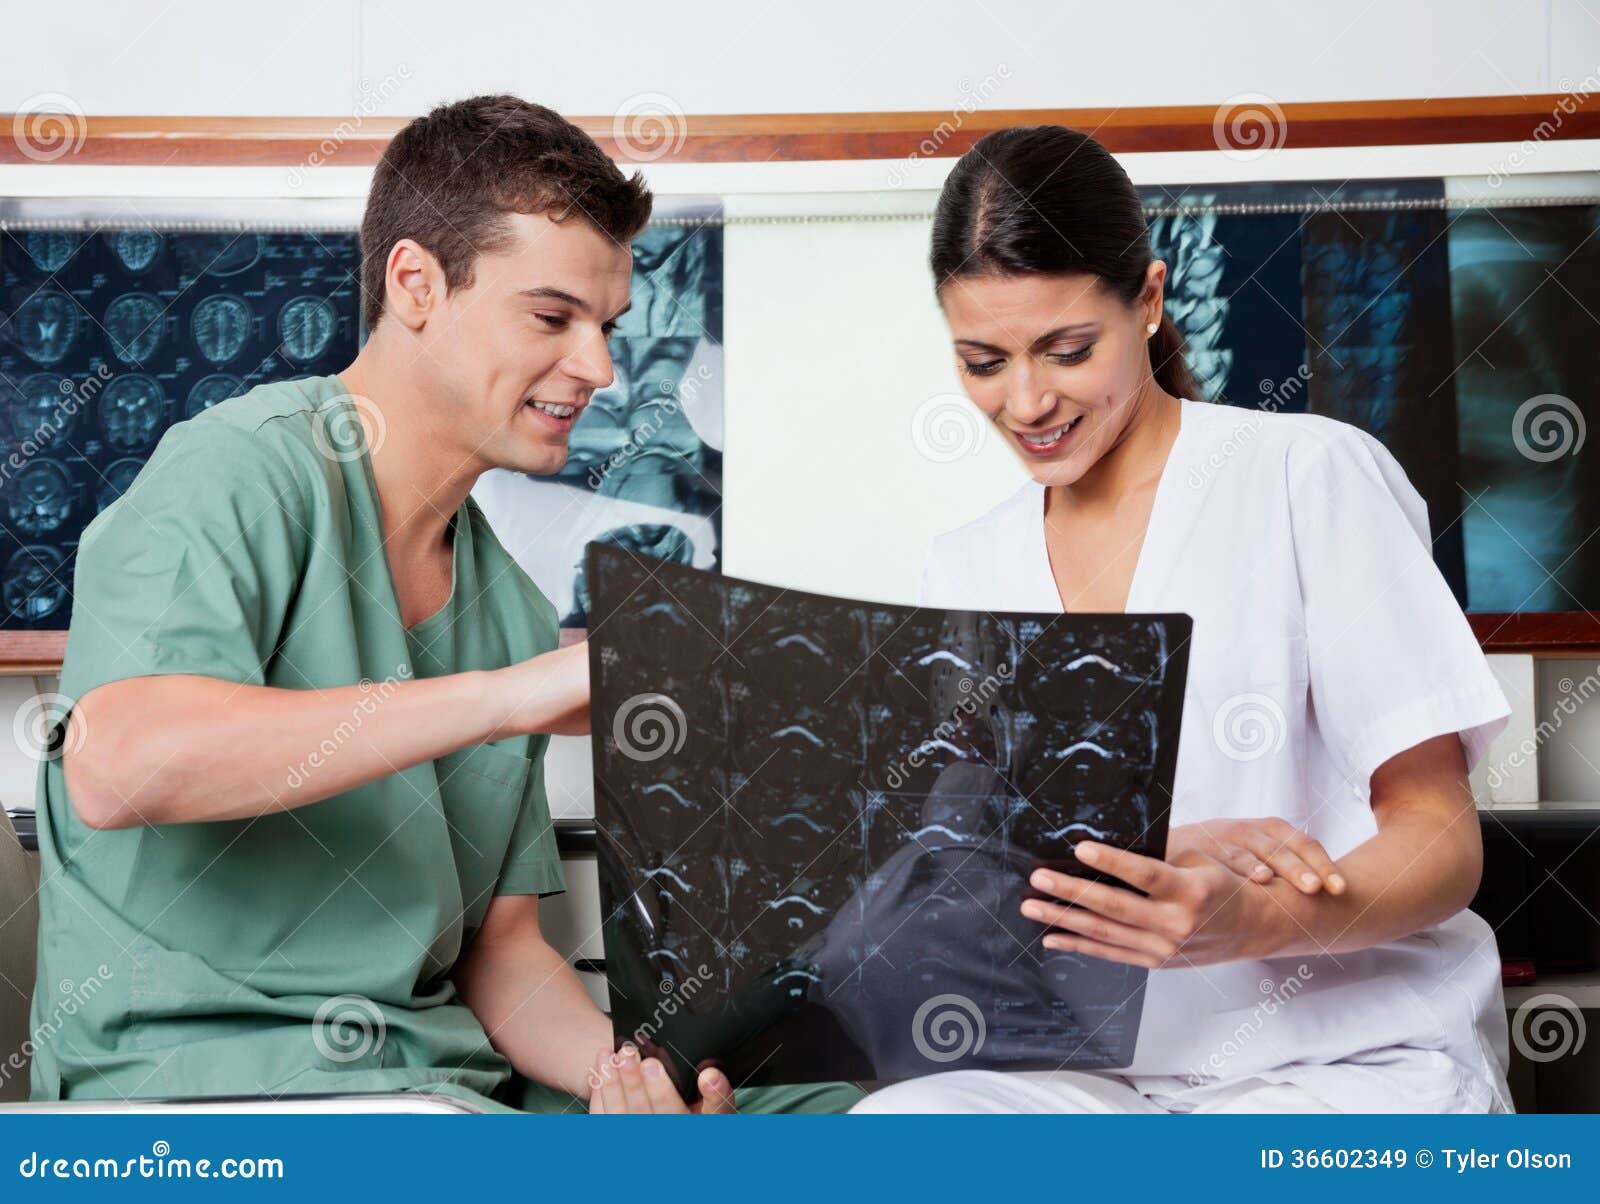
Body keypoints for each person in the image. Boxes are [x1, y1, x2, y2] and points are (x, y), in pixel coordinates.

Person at [29, 94, 859, 1116]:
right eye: (553, 317)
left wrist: (633, 1086)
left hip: (444, 1090)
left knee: (882, 1121)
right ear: (416, 283)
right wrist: (505, 698)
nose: (598, 368)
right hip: (210, 1092)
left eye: (606, 327)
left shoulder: (504, 600)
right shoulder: (238, 473)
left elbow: (502, 959)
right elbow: (118, 766)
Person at [851, 125, 1511, 1114]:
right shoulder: (967, 561)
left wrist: (1256, 919)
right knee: (899, 1129)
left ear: (1150, 300)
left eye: (1066, 349)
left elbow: (1440, 839)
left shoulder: (1306, 477)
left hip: (1341, 1064)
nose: (1025, 400)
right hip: (1098, 1079)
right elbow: (978, 869)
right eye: (982, 361)